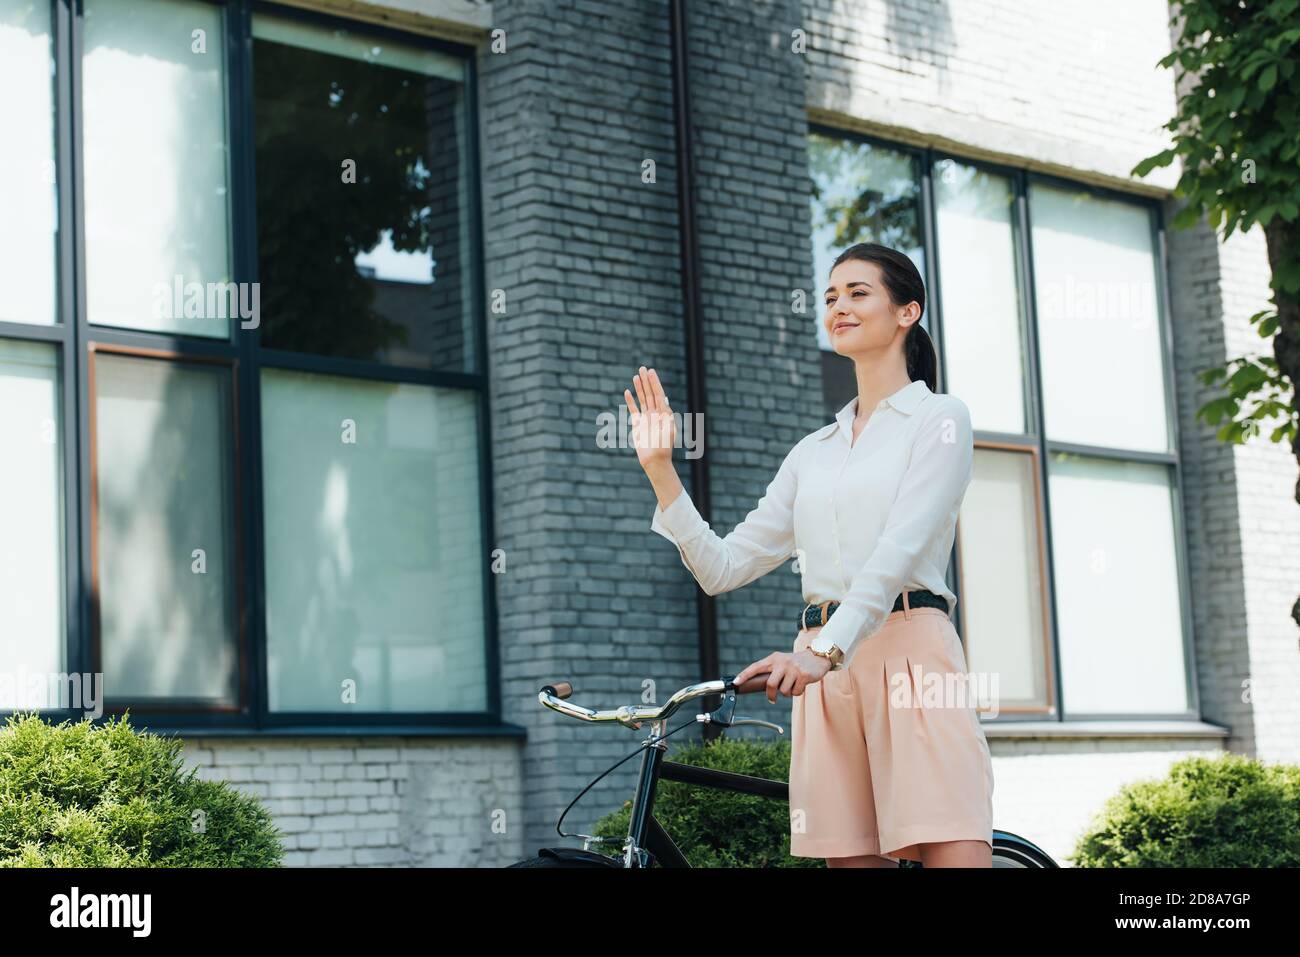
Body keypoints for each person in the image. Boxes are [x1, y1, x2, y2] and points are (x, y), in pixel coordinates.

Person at [624, 242, 993, 868]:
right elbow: (722, 568)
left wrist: (825, 651)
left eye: (857, 293)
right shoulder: (812, 451)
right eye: (829, 297)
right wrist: (661, 470)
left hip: (910, 658)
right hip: (823, 676)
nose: (838, 307)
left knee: (951, 850)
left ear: (908, 312)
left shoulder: (939, 418)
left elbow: (897, 552)